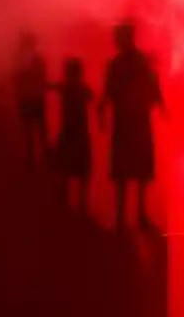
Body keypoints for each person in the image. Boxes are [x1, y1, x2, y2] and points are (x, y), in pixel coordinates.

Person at [98, 22, 165, 231]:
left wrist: (160, 103)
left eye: (118, 37)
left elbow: (152, 85)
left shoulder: (128, 62)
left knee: (135, 168)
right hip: (128, 119)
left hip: (133, 119)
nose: (116, 41)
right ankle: (126, 216)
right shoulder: (121, 63)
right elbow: (110, 89)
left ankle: (135, 215)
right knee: (126, 169)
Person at [53, 57, 94, 216]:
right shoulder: (81, 89)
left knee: (67, 166)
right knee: (81, 168)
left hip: (70, 132)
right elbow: (92, 97)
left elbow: (53, 87)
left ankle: (65, 199)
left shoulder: (67, 88)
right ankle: (82, 202)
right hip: (79, 133)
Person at [11, 31, 48, 168]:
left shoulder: (22, 59)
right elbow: (41, 78)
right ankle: (41, 155)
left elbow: (16, 78)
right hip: (33, 97)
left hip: (28, 97)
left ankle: (34, 156)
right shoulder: (35, 59)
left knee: (31, 129)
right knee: (38, 128)